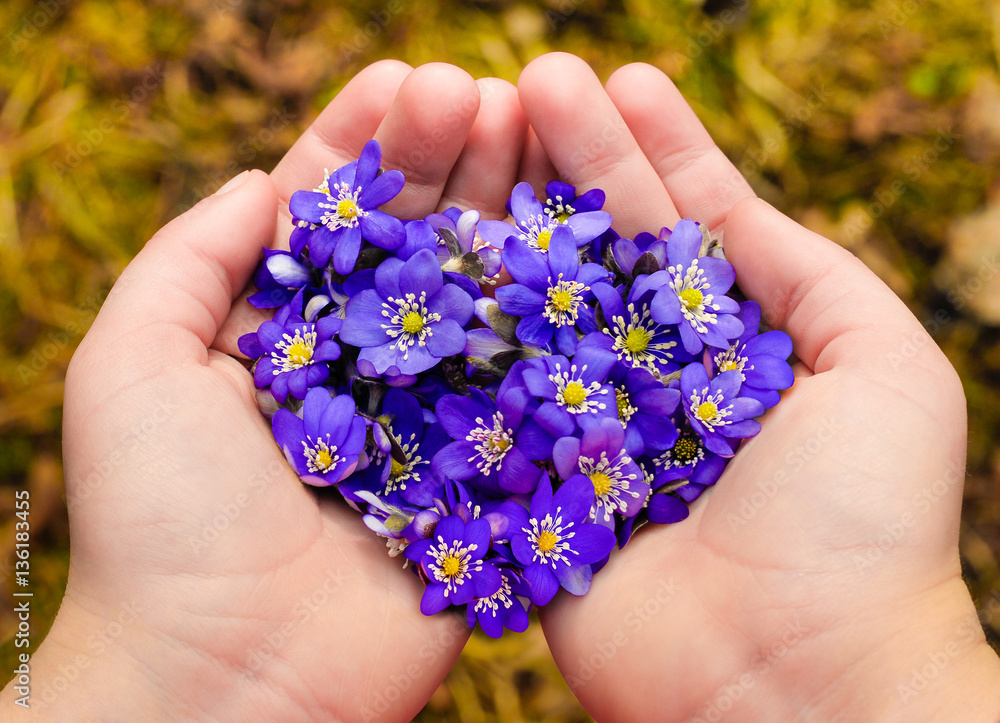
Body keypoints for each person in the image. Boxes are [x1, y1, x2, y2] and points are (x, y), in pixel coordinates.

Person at [4, 52, 999, 722]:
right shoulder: (418, 365)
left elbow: (562, 437)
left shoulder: (616, 396)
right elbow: (458, 412)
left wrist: (150, 671)